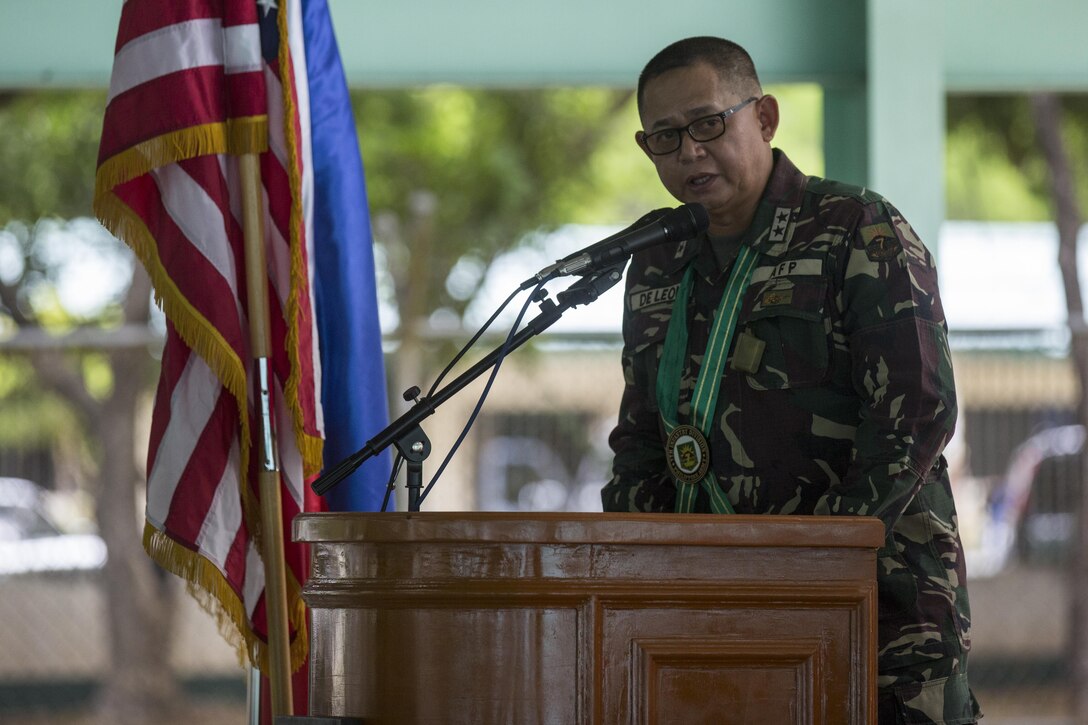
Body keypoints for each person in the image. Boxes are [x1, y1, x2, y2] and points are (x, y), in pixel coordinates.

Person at [601, 36, 981, 725]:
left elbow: (916, 414)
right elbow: (641, 439)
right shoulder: (656, 262)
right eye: (663, 136)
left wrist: (807, 566)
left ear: (766, 118)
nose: (688, 150)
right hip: (707, 627)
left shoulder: (857, 230)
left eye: (707, 123)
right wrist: (633, 572)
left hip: (877, 619)